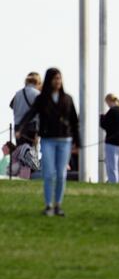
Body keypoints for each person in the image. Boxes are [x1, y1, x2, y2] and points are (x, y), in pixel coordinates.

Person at [17, 68, 80, 216]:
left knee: (61, 174)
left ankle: (58, 204)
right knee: (49, 173)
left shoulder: (67, 99)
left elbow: (74, 121)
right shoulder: (42, 99)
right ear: (49, 80)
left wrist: (78, 142)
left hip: (65, 140)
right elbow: (31, 113)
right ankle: (48, 205)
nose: (57, 81)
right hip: (48, 140)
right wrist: (21, 127)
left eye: (59, 78)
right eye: (55, 78)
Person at [99, 94, 119, 184]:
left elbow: (105, 125)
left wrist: (101, 118)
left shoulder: (112, 111)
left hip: (112, 140)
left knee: (112, 164)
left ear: (109, 101)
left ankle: (113, 182)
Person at [9, 72, 42, 146]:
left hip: (18, 126)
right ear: (38, 82)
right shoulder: (37, 94)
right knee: (31, 152)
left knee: (20, 151)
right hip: (32, 126)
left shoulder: (17, 93)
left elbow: (11, 105)